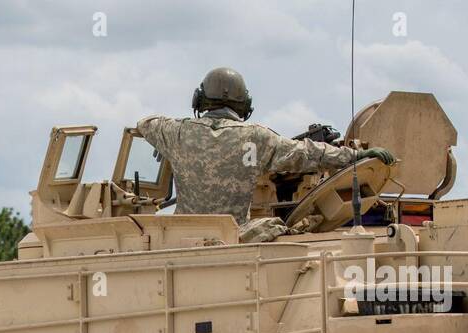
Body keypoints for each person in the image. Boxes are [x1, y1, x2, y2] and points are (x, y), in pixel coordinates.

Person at [137, 67, 395, 241]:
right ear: (245, 105)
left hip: (183, 242)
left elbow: (145, 123)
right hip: (235, 240)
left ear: (199, 100)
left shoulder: (176, 133)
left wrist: (168, 146)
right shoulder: (255, 137)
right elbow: (307, 154)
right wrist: (354, 156)